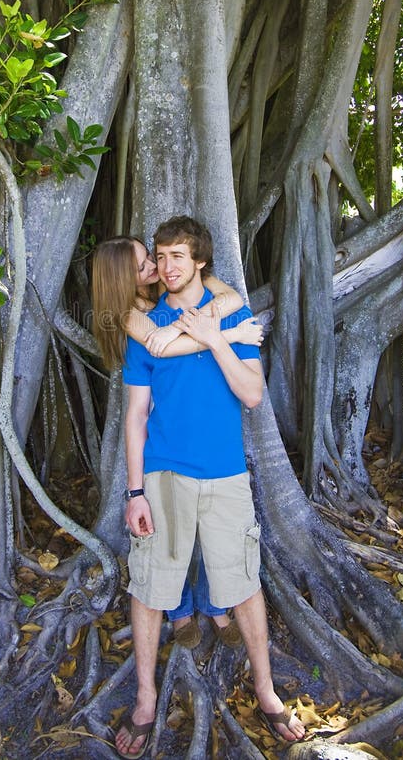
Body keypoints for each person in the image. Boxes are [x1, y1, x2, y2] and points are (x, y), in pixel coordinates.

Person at [115, 217, 305, 758]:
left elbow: (251, 394)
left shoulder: (231, 313)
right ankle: (147, 698)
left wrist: (215, 340)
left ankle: (266, 691)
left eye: (178, 255)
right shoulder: (147, 327)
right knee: (150, 587)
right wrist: (133, 493)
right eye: (160, 255)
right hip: (163, 474)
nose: (167, 266)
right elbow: (134, 417)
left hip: (225, 474)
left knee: (244, 582)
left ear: (200, 261)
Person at [92, 235, 261, 650]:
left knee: (213, 541)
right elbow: (159, 347)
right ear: (122, 279)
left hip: (219, 458)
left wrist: (215, 316)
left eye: (153, 256)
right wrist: (232, 335)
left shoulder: (173, 288)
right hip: (166, 454)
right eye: (144, 263)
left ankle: (213, 606)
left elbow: (232, 295)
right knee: (168, 546)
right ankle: (180, 610)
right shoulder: (131, 315)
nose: (155, 266)